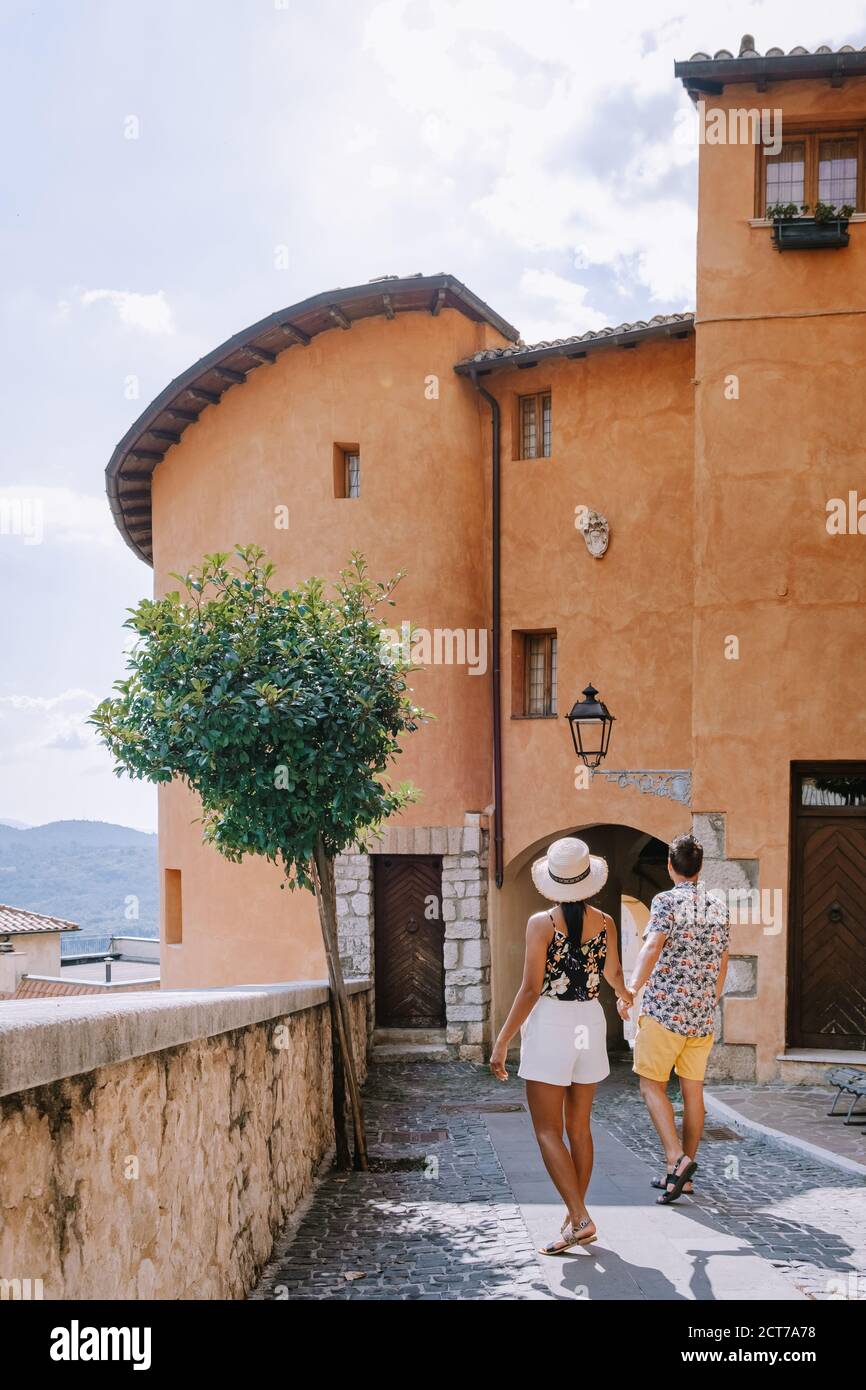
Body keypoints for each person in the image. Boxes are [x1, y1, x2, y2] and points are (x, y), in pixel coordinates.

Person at [489, 836, 633, 1254]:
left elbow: (531, 989)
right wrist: (626, 998)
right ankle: (575, 1219)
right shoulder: (605, 922)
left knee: (547, 1130)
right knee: (579, 1126)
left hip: (552, 1022)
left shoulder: (540, 923)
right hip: (589, 1020)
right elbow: (615, 974)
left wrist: (502, 1041)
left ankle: (581, 1218)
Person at [618, 833, 729, 1204]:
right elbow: (722, 962)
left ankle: (675, 1158)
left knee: (651, 1086)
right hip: (701, 1017)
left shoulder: (665, 901)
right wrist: (709, 1001)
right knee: (692, 1092)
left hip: (665, 1011)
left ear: (670, 865)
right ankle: (684, 1175)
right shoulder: (718, 906)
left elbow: (652, 947)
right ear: (700, 867)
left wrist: (631, 991)